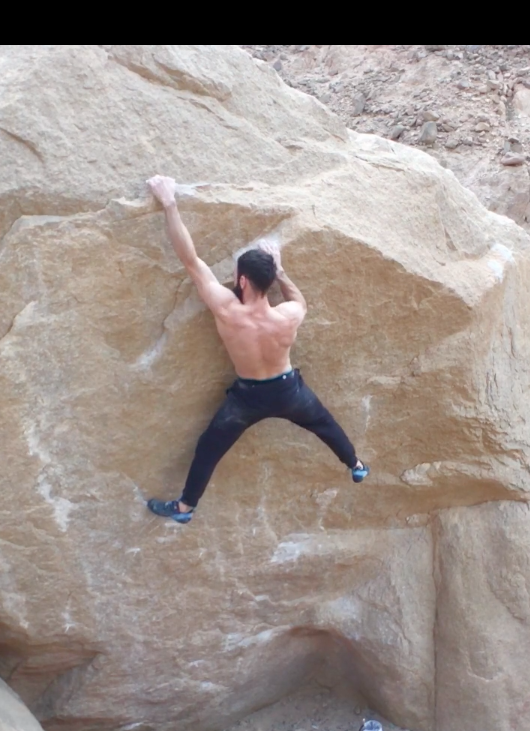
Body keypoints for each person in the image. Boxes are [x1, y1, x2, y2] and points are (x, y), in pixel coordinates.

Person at [144, 175, 367, 524]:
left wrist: (169, 203)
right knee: (324, 423)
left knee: (209, 448)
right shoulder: (288, 317)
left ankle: (185, 507)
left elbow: (190, 260)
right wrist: (281, 271)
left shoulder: (226, 309)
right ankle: (355, 465)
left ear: (242, 281)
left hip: (247, 399)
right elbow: (300, 301)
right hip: (289, 390)